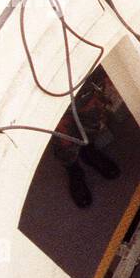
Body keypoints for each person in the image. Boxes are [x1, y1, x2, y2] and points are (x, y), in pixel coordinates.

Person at [53, 68, 122, 208]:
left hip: (77, 70)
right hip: (47, 82)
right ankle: (73, 168)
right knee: (61, 131)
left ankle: (87, 150)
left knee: (92, 114)